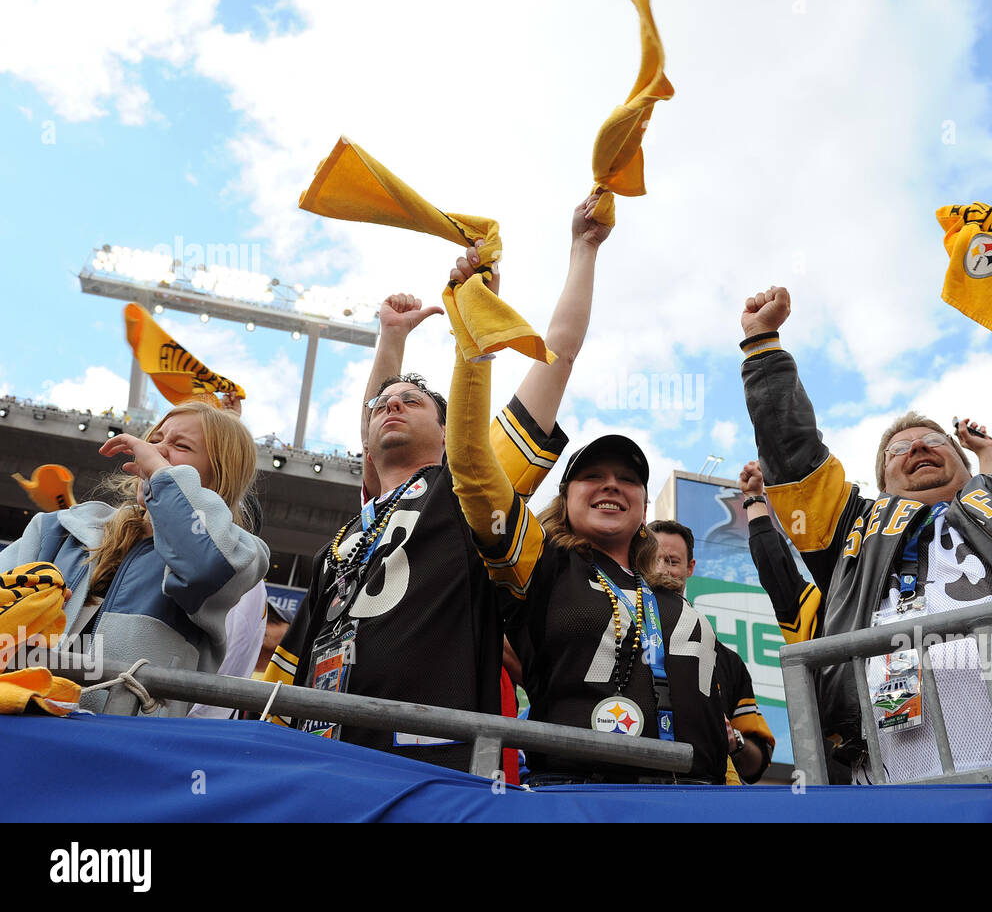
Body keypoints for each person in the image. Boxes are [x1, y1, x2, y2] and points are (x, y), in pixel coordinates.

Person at [738, 286, 992, 783]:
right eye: (900, 449)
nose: (917, 448)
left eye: (933, 440)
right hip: (903, 790)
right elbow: (793, 455)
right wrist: (763, 345)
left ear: (962, 459)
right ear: (881, 481)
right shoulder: (853, 527)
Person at [264, 194, 610, 770]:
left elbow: (558, 355)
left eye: (412, 402)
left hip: (424, 762)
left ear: (450, 431)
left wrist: (582, 249)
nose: (391, 407)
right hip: (318, 757)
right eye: (383, 406)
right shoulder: (355, 532)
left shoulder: (471, 483)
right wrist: (391, 335)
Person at [444, 267, 728, 784]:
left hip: (697, 801)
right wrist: (475, 350)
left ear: (643, 507)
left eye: (627, 479)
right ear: (566, 499)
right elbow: (473, 468)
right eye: (592, 477)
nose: (611, 486)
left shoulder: (670, 598)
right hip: (575, 794)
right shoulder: (543, 565)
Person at [0, 400, 268, 714]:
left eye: (180, 446)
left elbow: (204, 564)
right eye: (154, 441)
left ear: (220, 475)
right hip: (21, 726)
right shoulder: (56, 530)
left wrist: (165, 478)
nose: (156, 451)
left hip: (122, 750)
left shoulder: (241, 554)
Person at [649, 518, 775, 783]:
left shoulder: (727, 661)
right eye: (652, 560)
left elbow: (757, 764)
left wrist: (735, 741)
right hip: (625, 791)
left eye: (672, 561)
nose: (661, 570)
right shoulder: (616, 633)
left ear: (690, 567)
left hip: (705, 798)